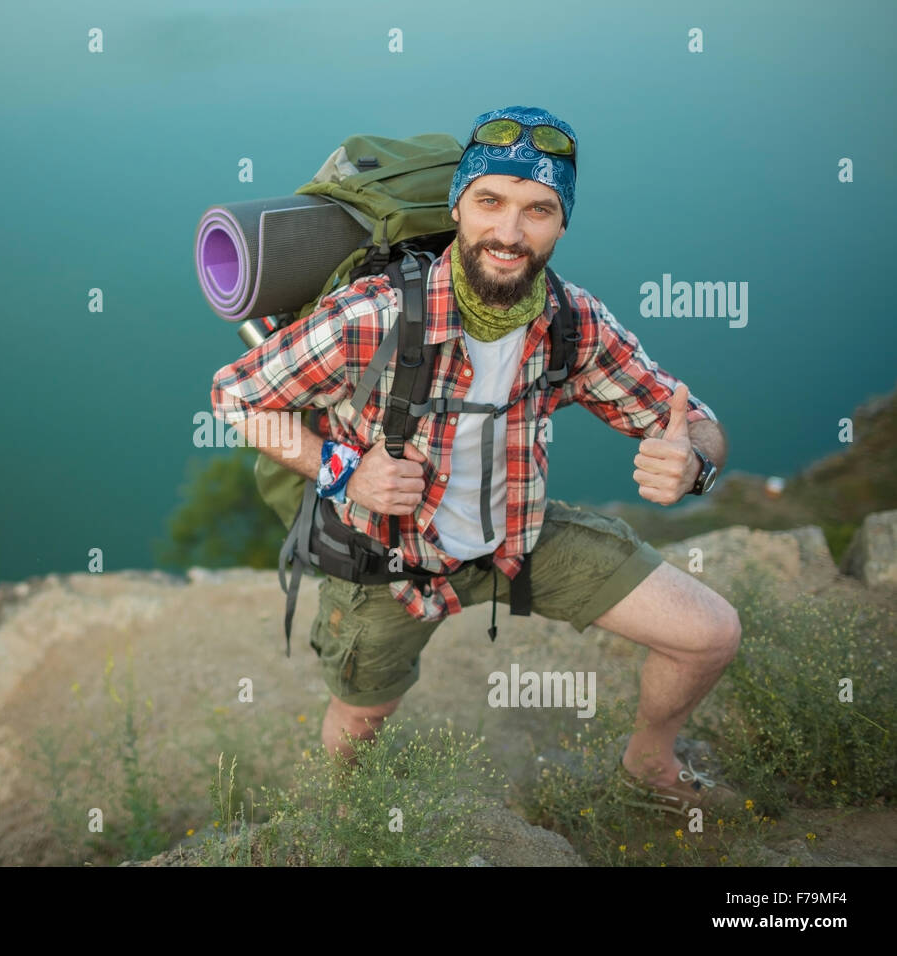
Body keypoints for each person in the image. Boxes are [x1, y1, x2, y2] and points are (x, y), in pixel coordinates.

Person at [209, 105, 741, 815]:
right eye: (490, 201)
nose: (510, 232)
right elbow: (236, 398)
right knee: (362, 719)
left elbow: (696, 421)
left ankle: (649, 766)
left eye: (539, 210)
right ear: (459, 206)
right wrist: (345, 470)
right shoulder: (372, 317)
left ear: (562, 223)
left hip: (515, 541)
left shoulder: (573, 322)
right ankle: (348, 819)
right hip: (386, 558)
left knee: (708, 635)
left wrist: (695, 462)